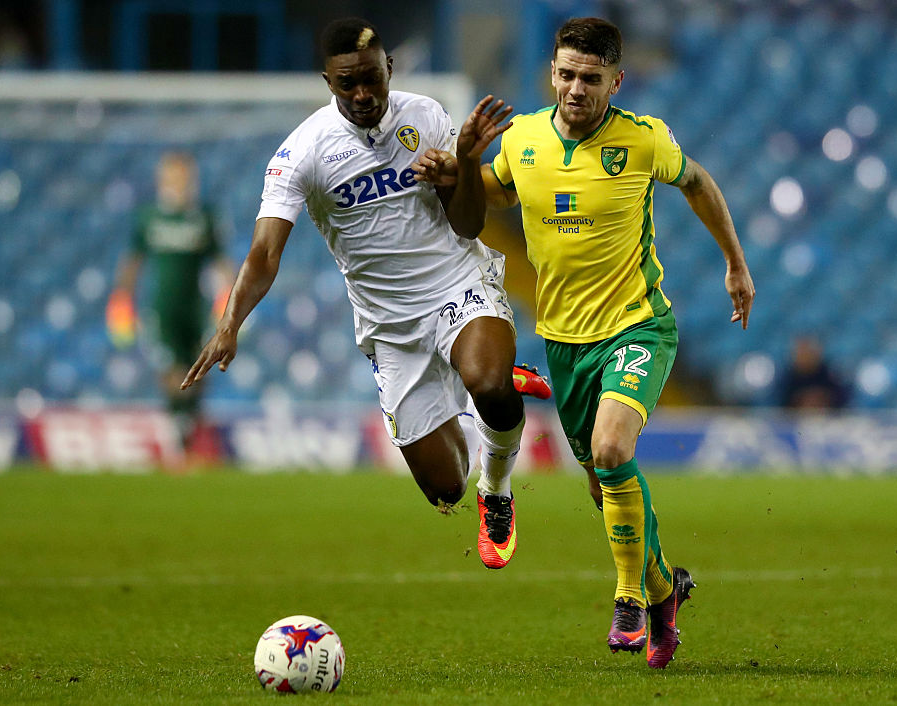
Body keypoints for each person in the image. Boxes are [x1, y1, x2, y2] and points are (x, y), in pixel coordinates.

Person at [412, 17, 755, 668]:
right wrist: (453, 170)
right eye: (566, 75)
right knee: (605, 486)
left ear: (615, 81)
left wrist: (735, 264)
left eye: (590, 79)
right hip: (566, 344)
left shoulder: (645, 139)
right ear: (552, 73)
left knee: (610, 448)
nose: (575, 89)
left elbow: (699, 184)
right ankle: (662, 589)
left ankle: (628, 596)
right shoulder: (525, 138)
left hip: (637, 324)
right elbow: (493, 189)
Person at [180, 17, 551, 570]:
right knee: (446, 487)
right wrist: (229, 324)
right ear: (328, 82)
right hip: (389, 327)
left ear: (389, 69)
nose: (362, 94)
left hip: (457, 284)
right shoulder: (301, 152)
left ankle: (495, 485)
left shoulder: (425, 116)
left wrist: (463, 164)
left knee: (490, 382)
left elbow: (469, 223)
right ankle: (479, 390)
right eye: (347, 83)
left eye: (371, 79)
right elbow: (263, 254)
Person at [108, 151, 235, 456]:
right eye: (173, 176)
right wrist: (121, 299)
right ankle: (180, 427)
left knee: (198, 368)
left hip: (197, 306)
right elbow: (133, 262)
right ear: (162, 180)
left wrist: (231, 300)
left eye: (184, 176)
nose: (179, 183)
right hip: (162, 307)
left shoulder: (204, 216)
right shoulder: (149, 217)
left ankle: (188, 423)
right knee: (170, 369)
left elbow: (221, 263)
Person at [780, 336, 849, 409]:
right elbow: (781, 406)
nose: (804, 355)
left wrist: (821, 399)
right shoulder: (787, 378)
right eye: (801, 351)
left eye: (808, 351)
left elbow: (841, 401)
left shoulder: (830, 375)